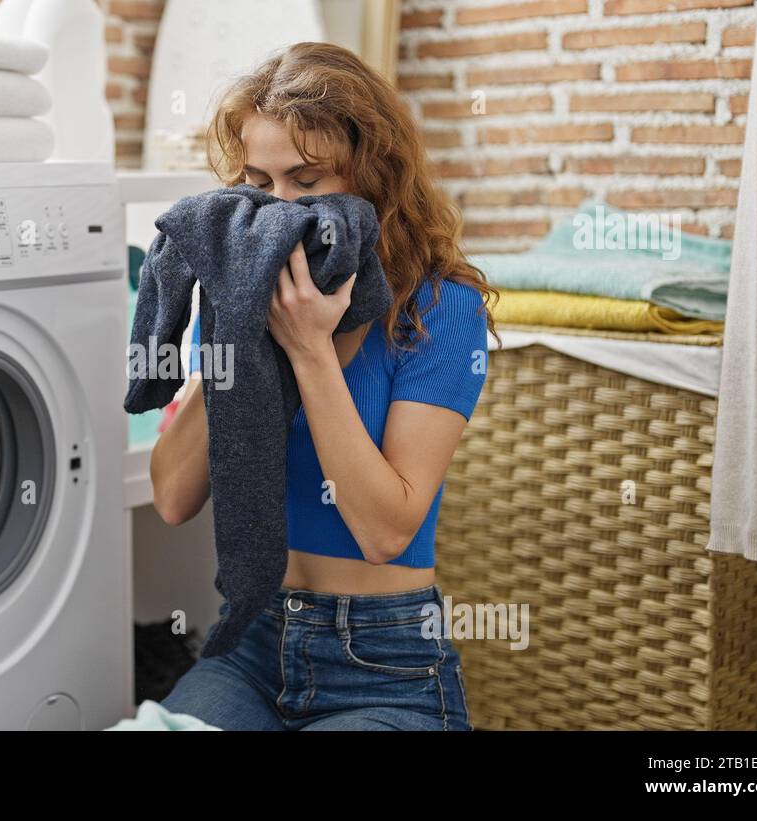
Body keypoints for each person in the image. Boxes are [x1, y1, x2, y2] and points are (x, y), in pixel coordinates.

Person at [151, 42, 500, 731]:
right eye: (259, 182)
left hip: (385, 662)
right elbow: (173, 496)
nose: (278, 210)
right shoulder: (240, 299)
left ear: (372, 179)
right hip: (250, 644)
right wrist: (235, 322)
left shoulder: (441, 311)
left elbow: (385, 531)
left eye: (306, 184)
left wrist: (310, 349)